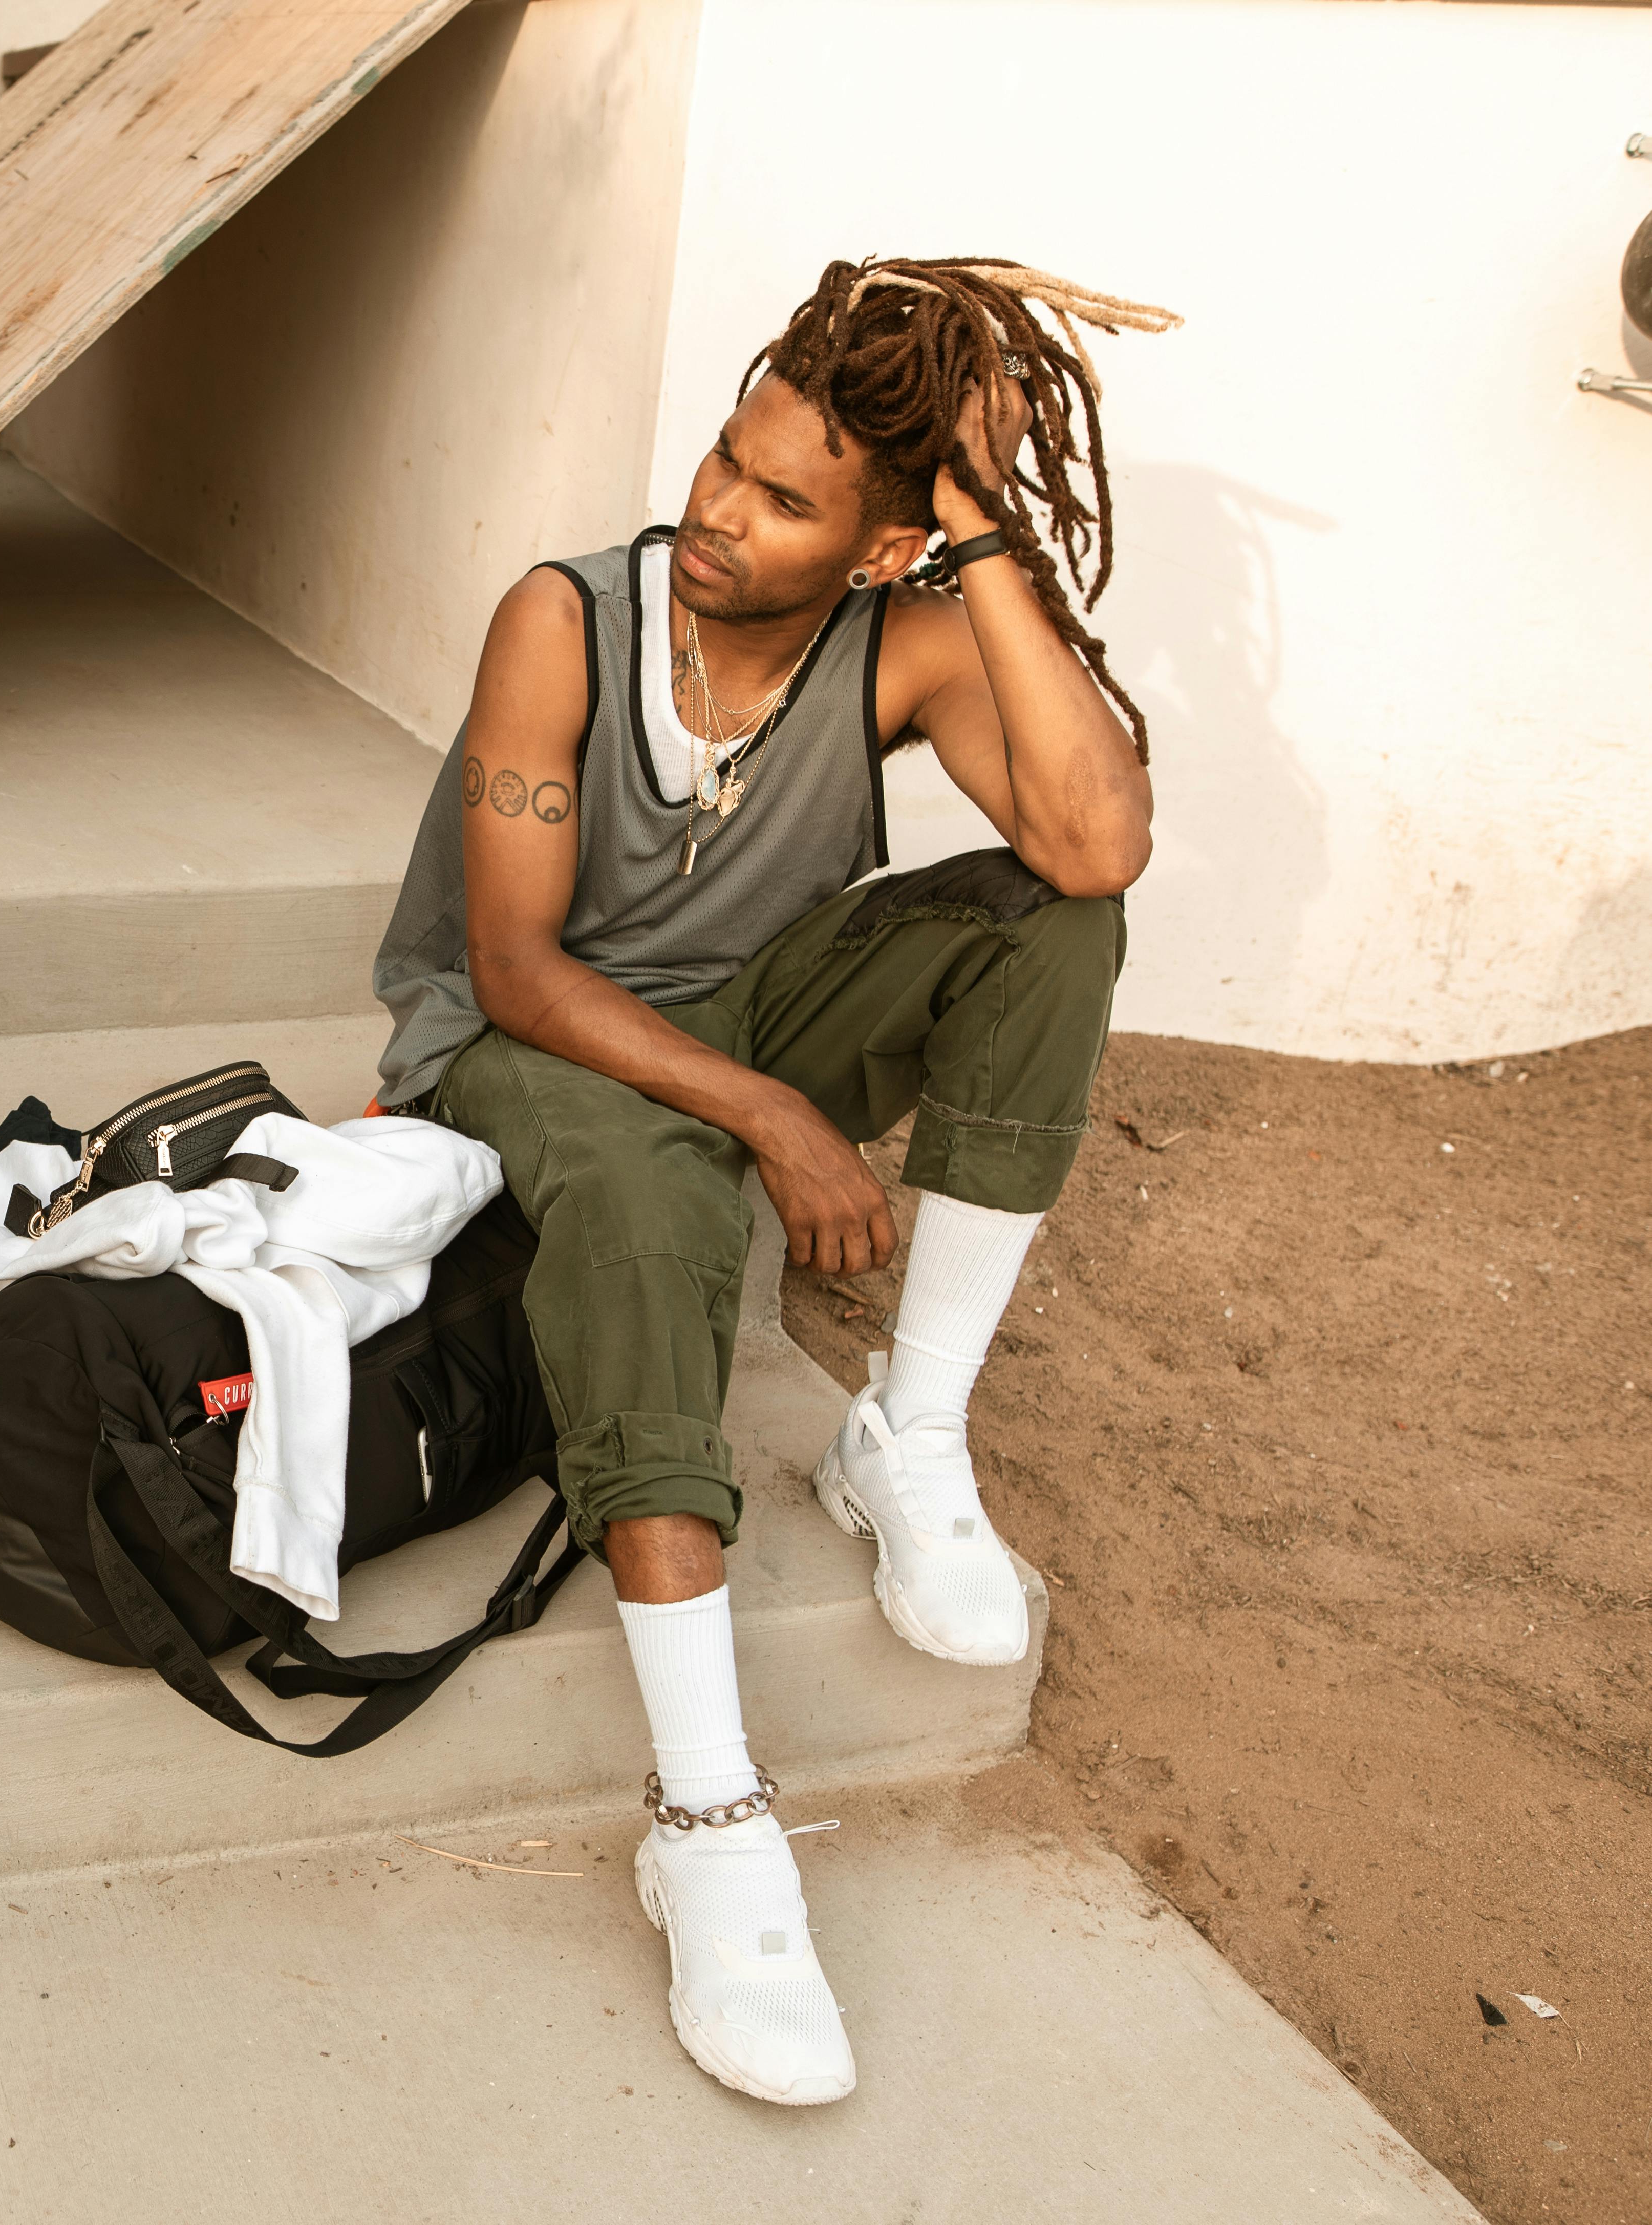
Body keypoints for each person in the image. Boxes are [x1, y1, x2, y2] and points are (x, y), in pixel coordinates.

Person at [373, 257, 1171, 2106]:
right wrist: (772, 1120)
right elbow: (515, 970)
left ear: (884, 547)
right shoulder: (565, 620)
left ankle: (913, 1433)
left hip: (740, 1008)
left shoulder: (907, 631)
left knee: (1051, 926)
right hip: (519, 1036)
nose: (721, 510)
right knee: (656, 1199)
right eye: (727, 461)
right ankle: (710, 1816)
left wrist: (981, 534)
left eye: (787, 499)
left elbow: (1096, 842)